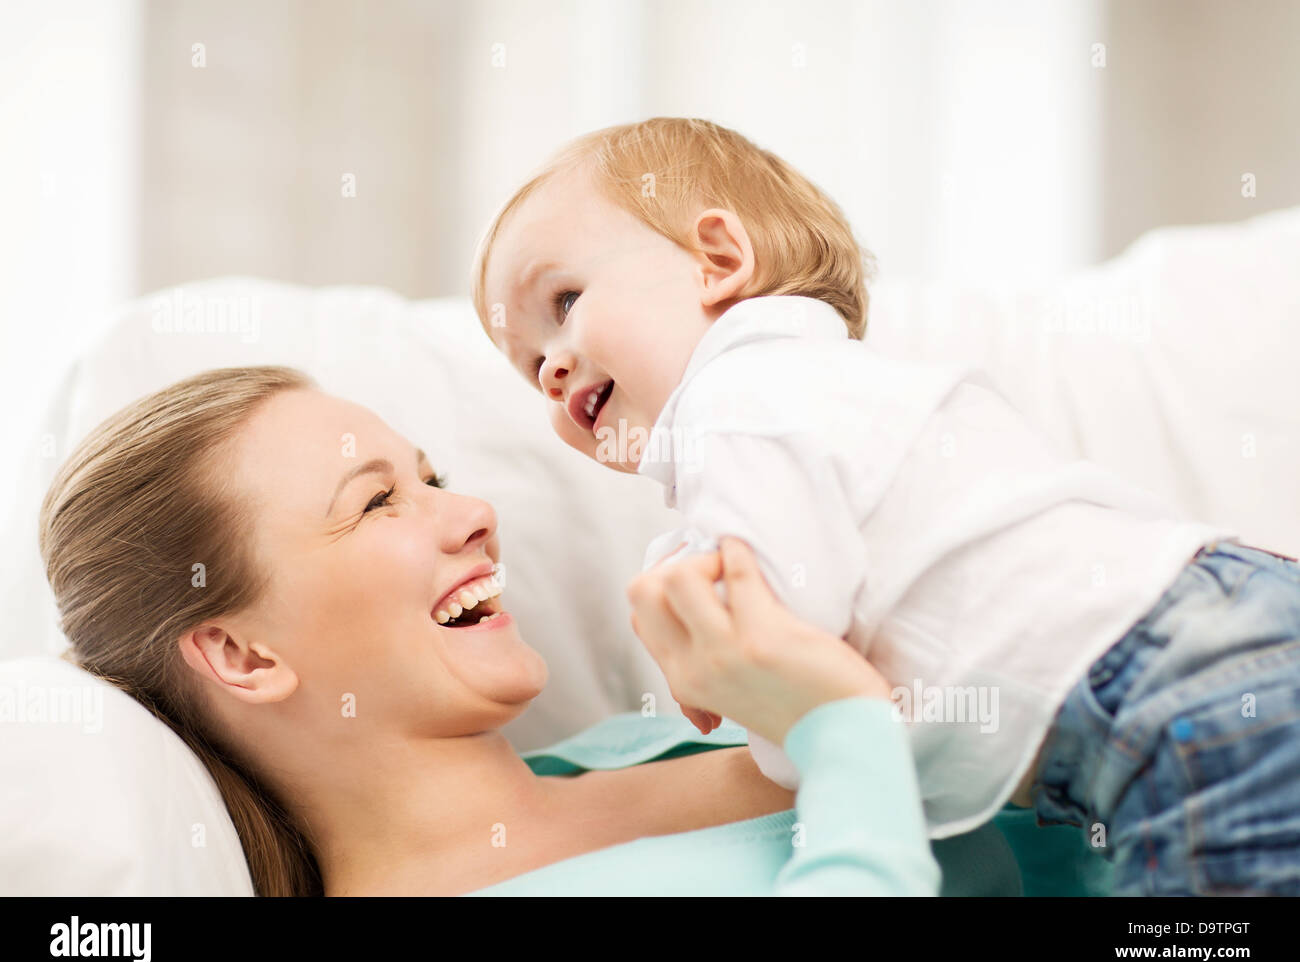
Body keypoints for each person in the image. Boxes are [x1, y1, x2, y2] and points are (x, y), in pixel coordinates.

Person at [473, 116, 1300, 895]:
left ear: (719, 260)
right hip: (1210, 640)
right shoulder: (807, 393)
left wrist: (715, 646)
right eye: (528, 363)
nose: (550, 367)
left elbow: (797, 647)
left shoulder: (738, 401)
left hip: (1182, 688)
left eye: (566, 304)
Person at [39, 365, 1033, 896]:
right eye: (378, 501)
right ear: (243, 654)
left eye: (427, 474)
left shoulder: (623, 747)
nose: (467, 510)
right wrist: (842, 723)